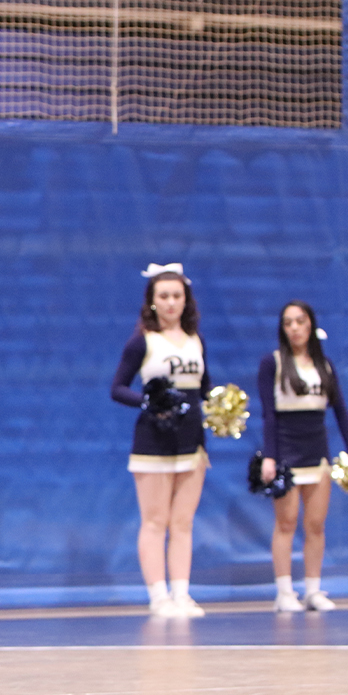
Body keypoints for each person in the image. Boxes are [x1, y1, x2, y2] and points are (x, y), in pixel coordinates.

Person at [111, 265, 212, 619]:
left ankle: (182, 593)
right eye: (163, 296)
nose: (171, 303)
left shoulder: (196, 340)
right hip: (153, 439)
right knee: (155, 521)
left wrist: (222, 410)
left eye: (177, 296)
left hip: (192, 442)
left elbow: (205, 390)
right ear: (152, 302)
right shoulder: (143, 341)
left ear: (186, 300)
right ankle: (158, 595)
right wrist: (150, 402)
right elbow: (117, 388)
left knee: (182, 522)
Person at [255, 301, 348, 613]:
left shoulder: (324, 366)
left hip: (318, 455)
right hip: (286, 455)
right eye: (288, 323)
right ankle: (284, 592)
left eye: (300, 321)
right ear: (282, 329)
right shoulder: (271, 364)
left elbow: (340, 411)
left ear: (310, 324)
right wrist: (270, 457)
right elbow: (268, 415)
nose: (295, 328)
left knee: (315, 525)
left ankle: (313, 590)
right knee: (285, 524)